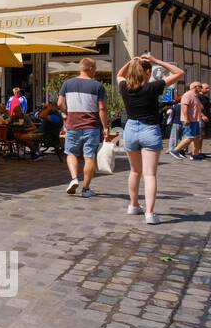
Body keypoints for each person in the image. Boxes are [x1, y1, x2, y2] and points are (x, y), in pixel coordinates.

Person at [117, 54, 184, 225]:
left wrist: (132, 61)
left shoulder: (125, 87)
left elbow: (119, 74)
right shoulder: (153, 87)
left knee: (134, 171)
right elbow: (179, 72)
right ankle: (150, 213)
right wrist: (156, 61)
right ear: (147, 72)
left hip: (130, 129)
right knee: (149, 174)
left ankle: (133, 205)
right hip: (149, 129)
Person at [58, 56, 109, 197]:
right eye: (95, 68)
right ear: (91, 68)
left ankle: (74, 178)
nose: (96, 71)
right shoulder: (98, 86)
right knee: (89, 156)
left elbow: (59, 104)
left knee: (71, 153)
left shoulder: (67, 84)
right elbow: (102, 109)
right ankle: (86, 189)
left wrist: (66, 113)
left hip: (73, 125)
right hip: (92, 126)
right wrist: (105, 127)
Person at [169, 81, 206, 160]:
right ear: (195, 87)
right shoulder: (188, 95)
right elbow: (184, 107)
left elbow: (200, 107)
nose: (201, 88)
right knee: (190, 137)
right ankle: (175, 150)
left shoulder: (195, 96)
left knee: (196, 137)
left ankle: (195, 155)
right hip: (190, 120)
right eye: (200, 86)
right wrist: (186, 118)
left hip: (196, 119)